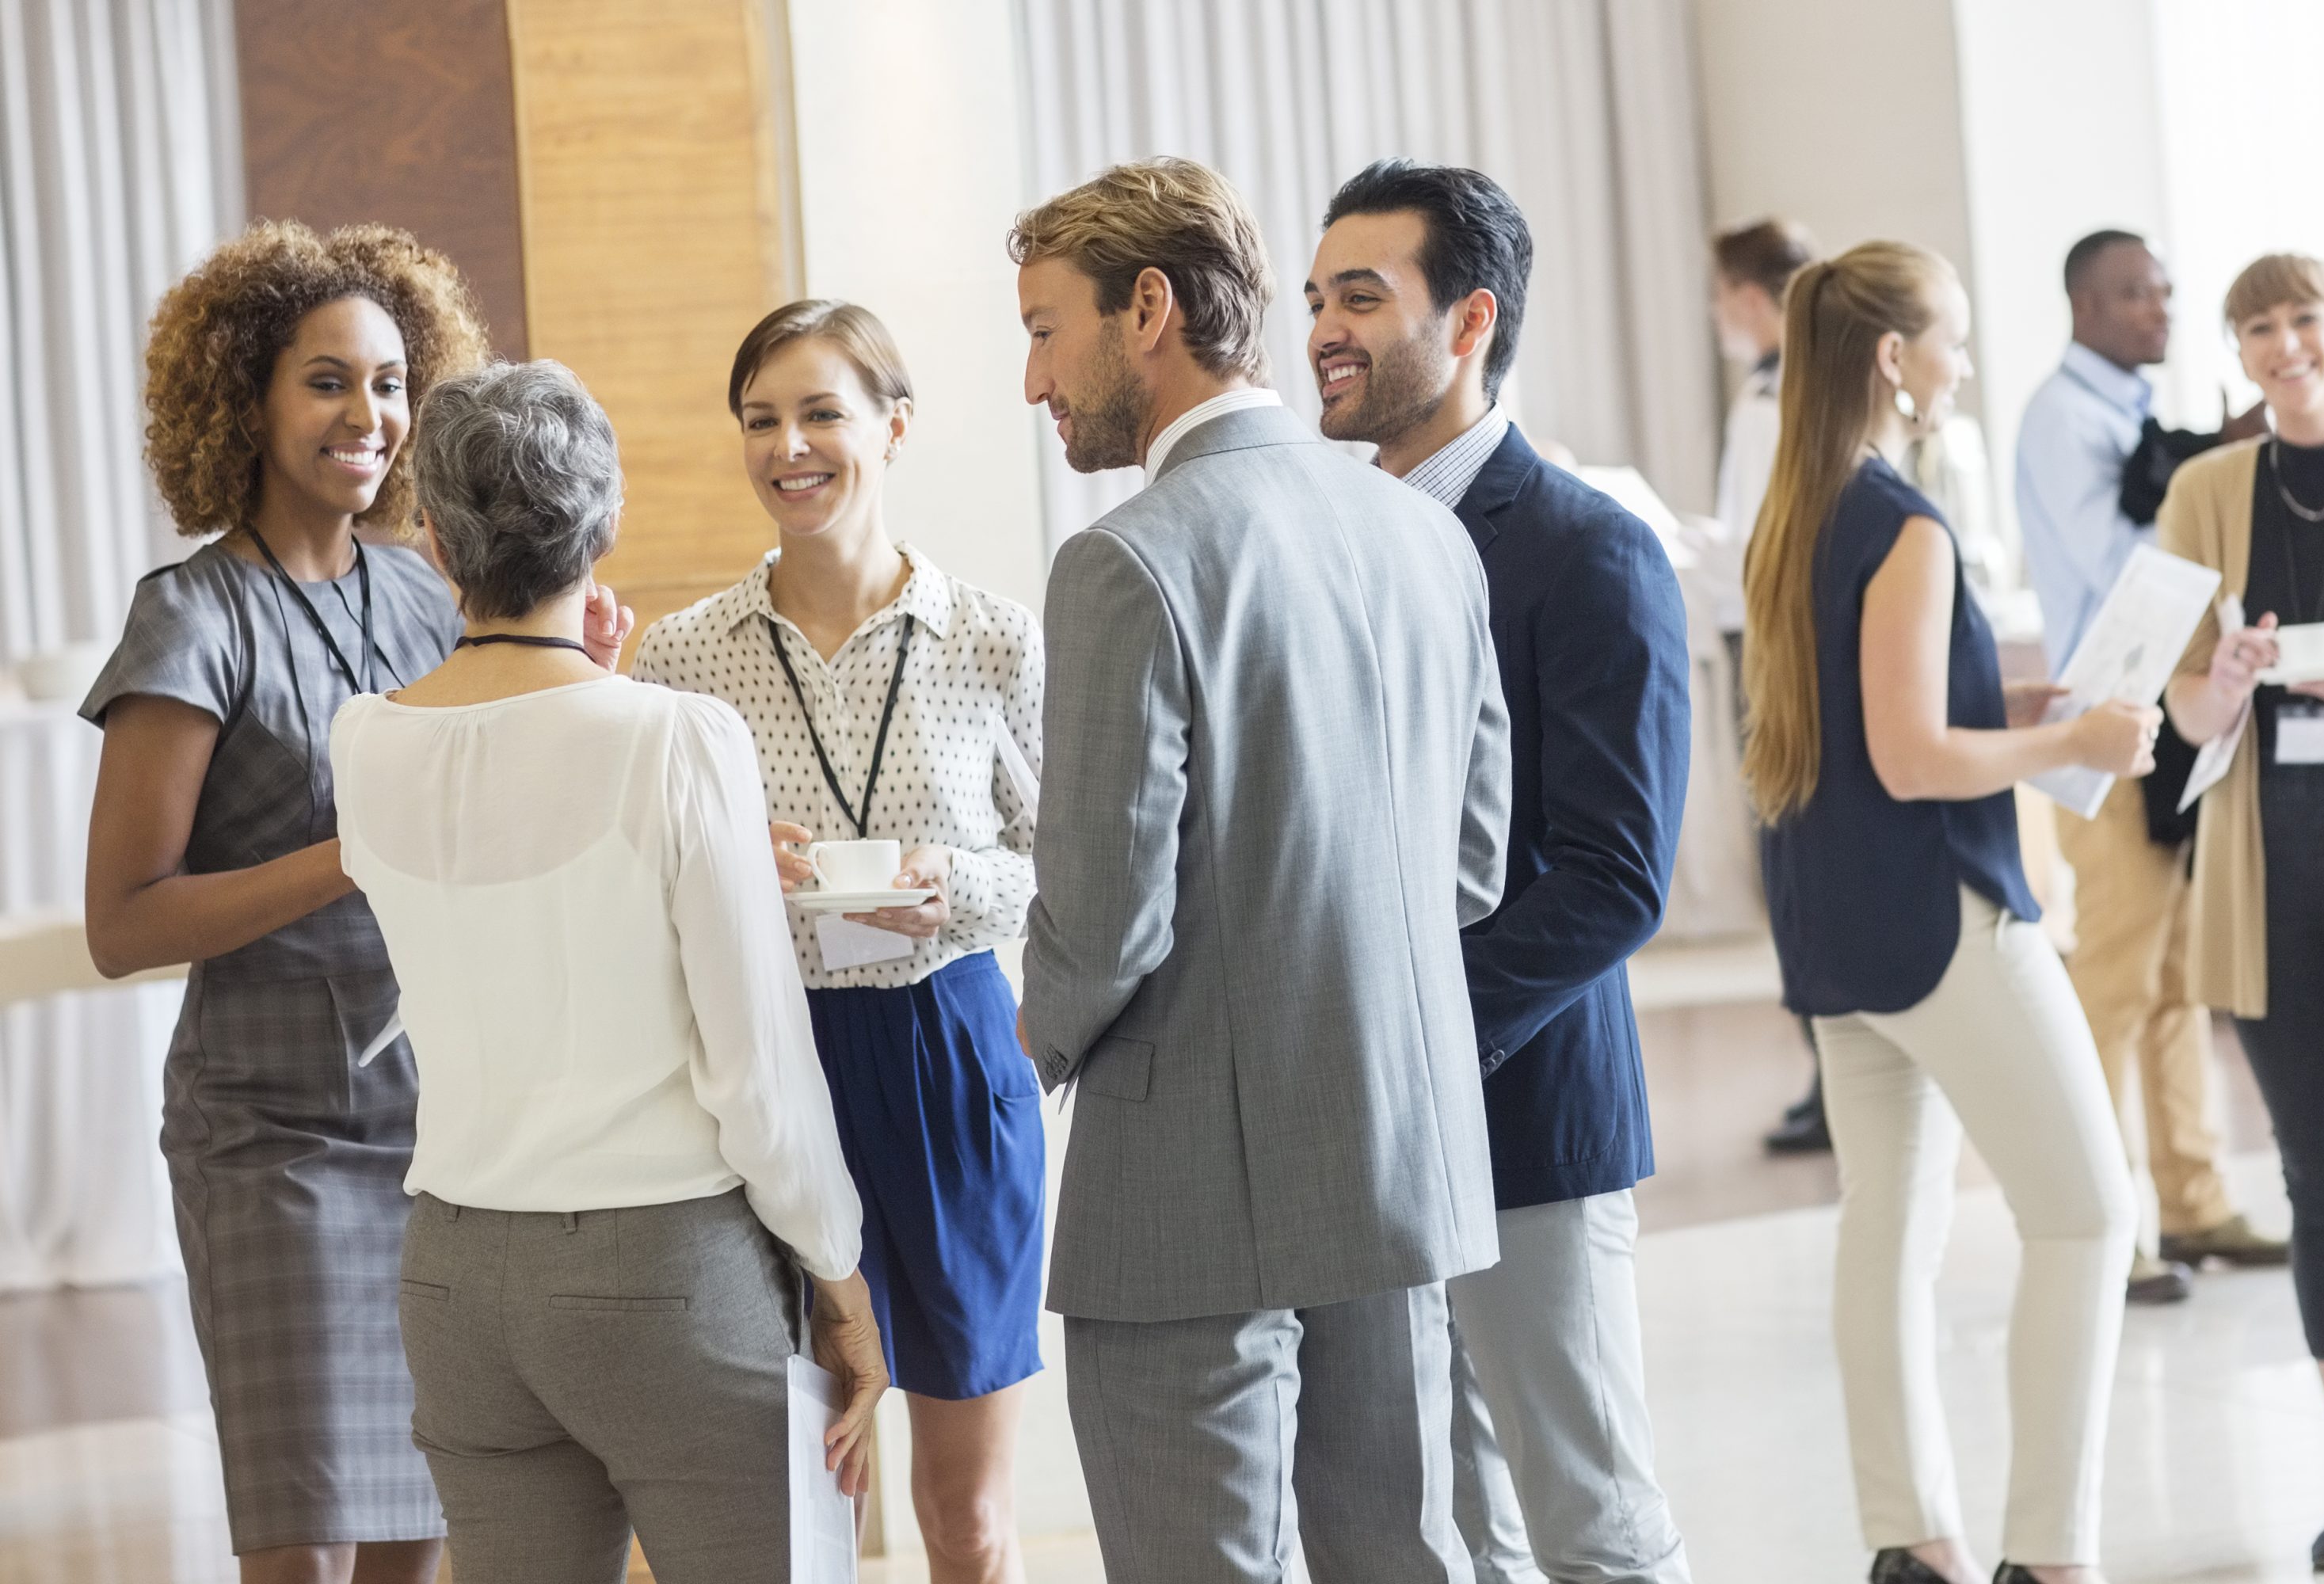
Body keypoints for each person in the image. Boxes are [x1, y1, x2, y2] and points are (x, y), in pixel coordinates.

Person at [78, 221, 622, 1584]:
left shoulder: (431, 595)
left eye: (389, 383)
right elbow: (124, 924)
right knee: (302, 1552)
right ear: (246, 399)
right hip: (271, 1142)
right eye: (327, 382)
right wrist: (351, 852)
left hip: (443, 1130)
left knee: (419, 1541)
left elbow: (499, 812)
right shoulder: (192, 617)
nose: (367, 415)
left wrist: (585, 686)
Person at [1010, 156, 1511, 1583]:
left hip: (1185, 1187)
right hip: (1396, 1155)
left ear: (1147, 310)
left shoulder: (1127, 562)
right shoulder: (1426, 534)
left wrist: (1017, 1049)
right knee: (1403, 1559)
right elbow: (1471, 863)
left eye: (1045, 330)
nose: (1034, 382)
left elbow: (1105, 922)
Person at [330, 359, 886, 1583]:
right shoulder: (677, 740)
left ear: (435, 542)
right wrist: (841, 1286)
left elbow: (510, 833)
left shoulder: (364, 743)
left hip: (459, 1283)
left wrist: (592, 683)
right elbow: (759, 1073)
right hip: (666, 1275)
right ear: (607, 522)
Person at [1306, 159, 1691, 1584]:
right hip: (1365, 1131)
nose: (1323, 332)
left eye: (1362, 298)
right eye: (1315, 300)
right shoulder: (1331, 544)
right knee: (1461, 1529)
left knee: (1595, 1523)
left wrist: (1416, 1035)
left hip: (1524, 1110)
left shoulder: (1590, 552)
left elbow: (1615, 877)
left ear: (1470, 322)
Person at [1743, 242, 2147, 1584]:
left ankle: (1912, 1540)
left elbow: (1872, 717)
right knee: (2087, 1215)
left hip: (1834, 930)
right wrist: (2074, 739)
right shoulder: (1905, 523)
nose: (1965, 366)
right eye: (1953, 341)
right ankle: (2052, 1555)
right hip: (1937, 920)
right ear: (1892, 357)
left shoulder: (1799, 508)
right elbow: (1913, 760)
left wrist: (2011, 706)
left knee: (1889, 1230)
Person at [632, 299, 1046, 1582]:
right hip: (772, 1065)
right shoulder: (682, 658)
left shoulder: (993, 637)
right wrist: (730, 874)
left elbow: (1070, 871)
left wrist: (949, 884)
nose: (788, 447)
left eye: (821, 413)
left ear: (894, 428)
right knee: (803, 1507)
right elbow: (641, 891)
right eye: (761, 420)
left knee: (964, 1516)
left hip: (951, 1059)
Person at [2013, 229, 2287, 1309]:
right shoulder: (2063, 418)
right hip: (2109, 716)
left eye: (2167, 292)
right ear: (2085, 303)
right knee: (2117, 973)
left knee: (2176, 972)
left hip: (2171, 712)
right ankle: (2099, 1223)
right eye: (2136, 293)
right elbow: (2120, 561)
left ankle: (2195, 1199)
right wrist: (2215, 468)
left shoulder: (2133, 415)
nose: (2160, 310)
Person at [2162, 252, 2324, 1572]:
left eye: (2303, 318)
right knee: (2322, 1175)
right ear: (2237, 353)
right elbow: (2177, 710)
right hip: (2269, 871)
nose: (2283, 344)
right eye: (2257, 328)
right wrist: (2229, 679)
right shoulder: (2204, 493)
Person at [1709, 216, 1832, 1157]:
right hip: (1806, 643)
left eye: (1720, 297)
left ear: (1751, 299)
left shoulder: (1770, 399)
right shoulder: (1817, 379)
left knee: (1795, 860)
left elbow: (1760, 546)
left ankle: (1833, 1075)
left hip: (1778, 650)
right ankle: (1833, 1071)